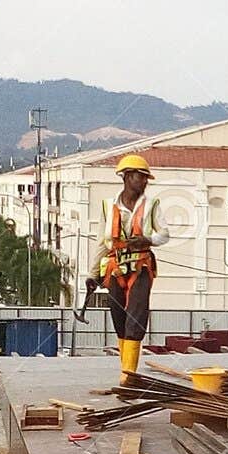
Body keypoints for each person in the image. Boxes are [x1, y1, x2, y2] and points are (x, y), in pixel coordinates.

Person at [94, 154, 167, 383]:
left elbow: (164, 234)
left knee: (135, 318)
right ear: (126, 177)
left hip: (140, 266)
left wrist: (147, 240)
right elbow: (101, 242)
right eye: (140, 176)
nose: (144, 181)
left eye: (146, 178)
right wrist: (92, 274)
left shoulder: (151, 205)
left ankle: (128, 376)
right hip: (115, 268)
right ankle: (126, 371)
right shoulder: (108, 206)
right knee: (119, 319)